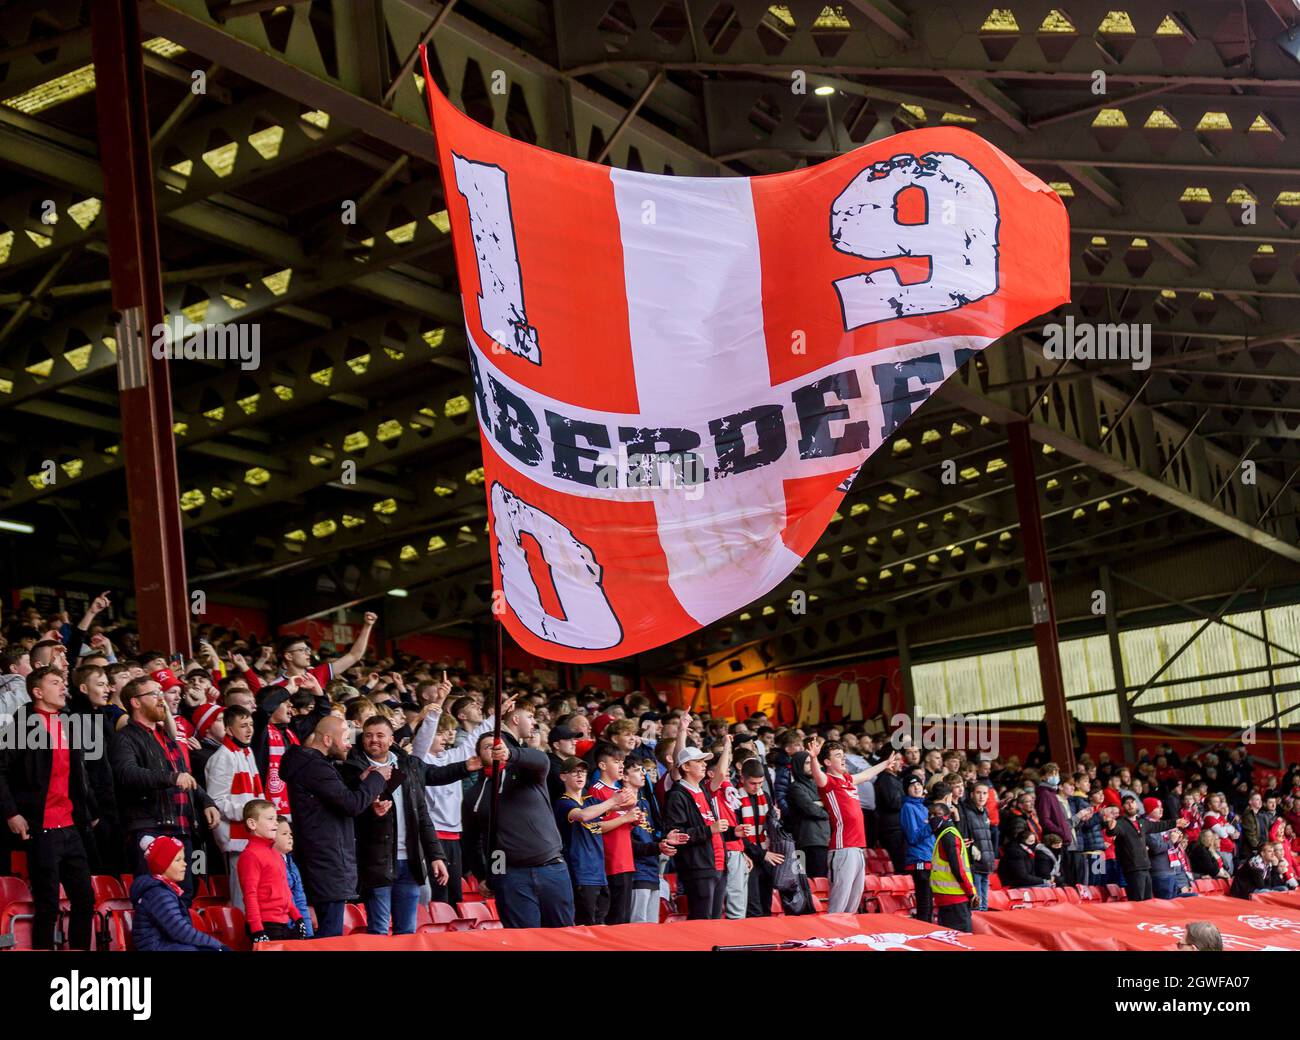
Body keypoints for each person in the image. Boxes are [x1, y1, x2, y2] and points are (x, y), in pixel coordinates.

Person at [0, 667, 97, 950]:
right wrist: (11, 813)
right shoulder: (21, 726)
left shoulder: (69, 724)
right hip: (41, 828)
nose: (63, 687)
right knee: (47, 905)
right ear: (38, 692)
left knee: (85, 900)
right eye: (55, 683)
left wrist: (90, 812)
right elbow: (1, 771)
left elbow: (79, 776)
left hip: (71, 826)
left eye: (63, 682)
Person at [465, 697, 575, 929]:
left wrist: (512, 754)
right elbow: (479, 840)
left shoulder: (526, 773)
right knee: (523, 941)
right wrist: (489, 875)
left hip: (551, 867)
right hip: (511, 875)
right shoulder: (475, 794)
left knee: (564, 937)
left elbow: (540, 759)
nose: (494, 750)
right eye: (487, 747)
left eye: (498, 747)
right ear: (478, 756)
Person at [110, 675, 220, 905]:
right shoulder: (125, 738)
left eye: (162, 693)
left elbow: (184, 775)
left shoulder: (167, 738)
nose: (162, 699)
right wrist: (170, 777)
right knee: (156, 896)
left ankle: (182, 941)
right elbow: (127, 774)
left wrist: (206, 800)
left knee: (185, 895)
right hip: (150, 827)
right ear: (135, 702)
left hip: (180, 828)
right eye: (154, 694)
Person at [279, 715, 389, 937]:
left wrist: (361, 782)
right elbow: (351, 804)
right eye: (346, 737)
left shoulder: (313, 765)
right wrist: (376, 779)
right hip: (326, 860)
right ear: (327, 740)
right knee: (330, 934)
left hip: (324, 857)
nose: (350, 744)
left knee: (330, 930)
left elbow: (336, 799)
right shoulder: (315, 767)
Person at [350, 715, 452, 935]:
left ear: (391, 739)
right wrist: (371, 812)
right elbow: (349, 813)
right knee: (378, 930)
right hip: (376, 862)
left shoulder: (407, 765)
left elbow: (422, 816)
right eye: (368, 735)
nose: (373, 740)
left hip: (411, 862)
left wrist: (436, 856)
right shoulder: (352, 769)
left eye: (379, 735)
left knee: (406, 931)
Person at [807, 734, 899, 916]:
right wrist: (812, 758)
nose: (843, 758)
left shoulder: (848, 780)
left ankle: (847, 940)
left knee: (853, 902)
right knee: (839, 902)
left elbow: (866, 775)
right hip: (842, 848)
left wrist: (885, 764)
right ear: (826, 762)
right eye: (838, 756)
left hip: (858, 848)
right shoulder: (828, 782)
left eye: (843, 754)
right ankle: (832, 937)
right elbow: (817, 776)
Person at [202, 704, 264, 911]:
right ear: (229, 730)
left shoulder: (247, 753)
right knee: (242, 897)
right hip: (237, 838)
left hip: (252, 834)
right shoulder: (222, 757)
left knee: (254, 894)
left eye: (251, 725)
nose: (249, 730)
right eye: (243, 725)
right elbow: (216, 802)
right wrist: (251, 814)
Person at [663, 746, 730, 920]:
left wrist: (733, 833)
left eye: (704, 761)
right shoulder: (677, 795)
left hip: (718, 864)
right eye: (698, 761)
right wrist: (710, 830)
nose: (704, 765)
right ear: (685, 767)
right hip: (699, 866)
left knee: (715, 920)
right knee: (701, 921)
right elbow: (676, 834)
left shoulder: (703, 791)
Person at [129, 835, 227, 951]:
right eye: (178, 860)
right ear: (162, 865)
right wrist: (219, 946)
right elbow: (180, 931)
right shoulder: (159, 894)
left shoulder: (164, 890)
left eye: (184, 859)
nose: (185, 864)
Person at [555, 756, 621, 925]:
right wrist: (612, 800)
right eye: (575, 772)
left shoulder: (590, 801)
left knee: (601, 924)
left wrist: (626, 794)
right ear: (563, 776)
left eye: (583, 772)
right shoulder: (563, 803)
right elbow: (584, 815)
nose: (580, 776)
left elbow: (623, 805)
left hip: (599, 872)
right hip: (580, 873)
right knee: (586, 926)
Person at [236, 800, 310, 942]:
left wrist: (298, 917)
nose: (276, 823)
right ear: (252, 824)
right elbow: (250, 895)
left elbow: (285, 891)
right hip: (266, 925)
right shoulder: (249, 856)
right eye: (270, 819)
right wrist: (257, 929)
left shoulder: (276, 854)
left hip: (284, 923)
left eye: (276, 819)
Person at [589, 743, 643, 925]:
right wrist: (625, 818)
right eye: (616, 762)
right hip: (610, 863)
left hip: (626, 861)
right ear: (602, 765)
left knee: (624, 920)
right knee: (615, 920)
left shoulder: (621, 791)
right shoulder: (596, 789)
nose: (621, 766)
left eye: (622, 762)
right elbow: (594, 827)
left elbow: (624, 826)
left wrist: (634, 819)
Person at [1104, 794, 1187, 901]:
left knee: (1148, 902)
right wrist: (1110, 826)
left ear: (1136, 804)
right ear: (1123, 807)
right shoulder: (1121, 823)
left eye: (1132, 802)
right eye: (1127, 803)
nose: (1130, 805)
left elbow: (1158, 826)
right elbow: (1113, 830)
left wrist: (1175, 822)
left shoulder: (1141, 822)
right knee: (1138, 902)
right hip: (1133, 869)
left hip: (1146, 867)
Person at [929, 802, 977, 933]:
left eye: (937, 814)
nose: (932, 818)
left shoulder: (948, 836)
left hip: (955, 898)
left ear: (947, 816)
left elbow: (958, 868)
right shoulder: (945, 834)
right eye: (930, 815)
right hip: (948, 898)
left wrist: (970, 892)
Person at [783, 750, 830, 879]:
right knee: (814, 881)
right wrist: (826, 809)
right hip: (808, 841)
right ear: (798, 766)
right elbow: (810, 809)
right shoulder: (796, 787)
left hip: (824, 839)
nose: (813, 766)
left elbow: (831, 803)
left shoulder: (818, 784)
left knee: (825, 881)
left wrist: (821, 804)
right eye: (808, 763)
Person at [900, 773, 933, 921]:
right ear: (906, 790)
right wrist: (932, 824)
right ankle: (924, 932)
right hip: (918, 859)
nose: (916, 787)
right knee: (924, 901)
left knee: (929, 901)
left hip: (929, 857)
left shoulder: (925, 807)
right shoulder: (908, 807)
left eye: (919, 784)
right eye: (912, 785)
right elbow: (913, 837)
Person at [959, 781, 996, 911]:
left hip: (985, 862)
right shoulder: (966, 812)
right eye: (978, 793)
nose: (981, 796)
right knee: (977, 905)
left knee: (984, 905)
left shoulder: (984, 811)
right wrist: (972, 849)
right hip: (974, 862)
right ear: (971, 794)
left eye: (984, 793)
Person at [275, 816, 313, 936]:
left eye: (290, 833)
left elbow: (300, 899)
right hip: (281, 927)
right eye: (284, 833)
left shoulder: (292, 863)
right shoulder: (271, 863)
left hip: (297, 925)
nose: (290, 836)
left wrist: (307, 932)